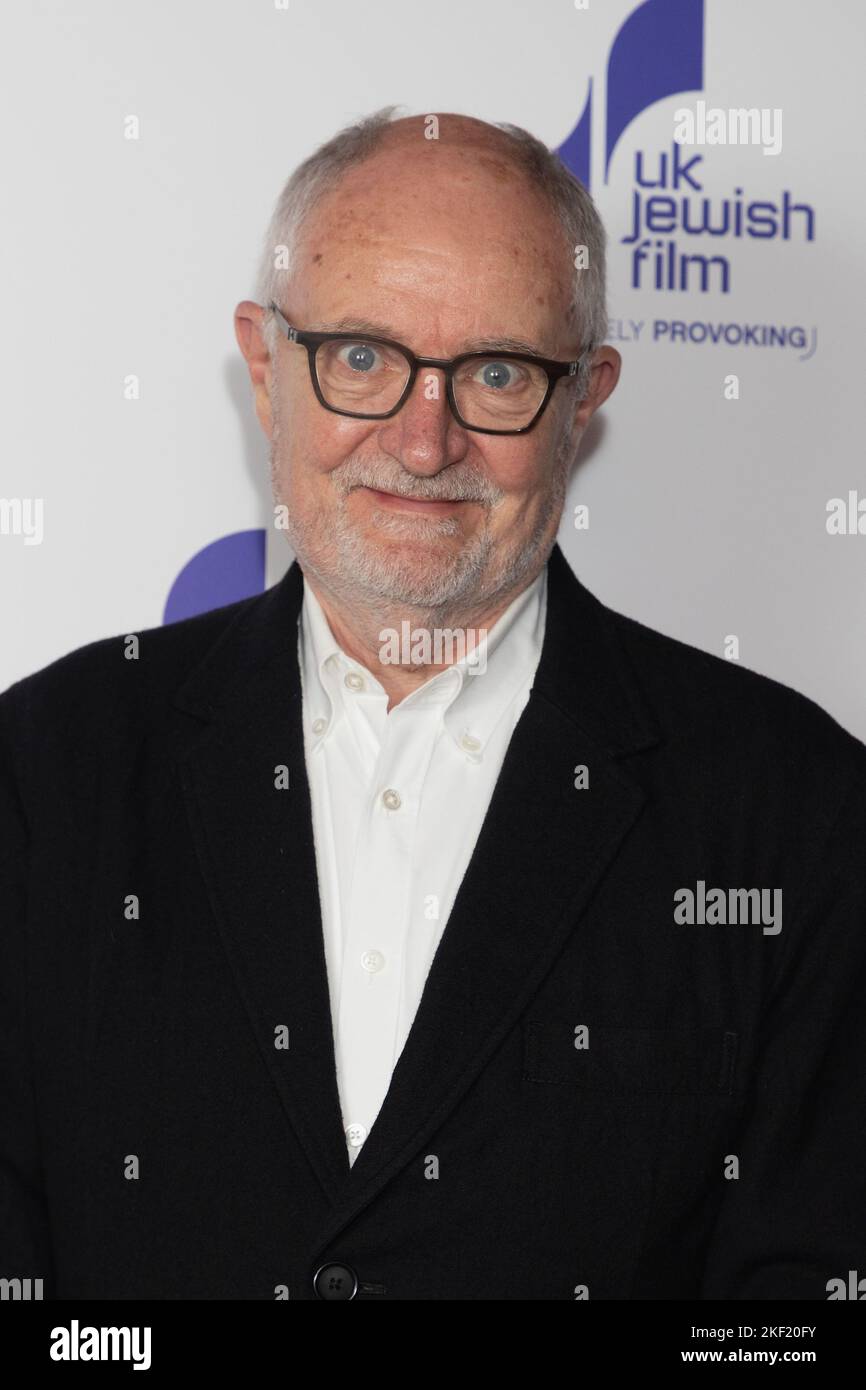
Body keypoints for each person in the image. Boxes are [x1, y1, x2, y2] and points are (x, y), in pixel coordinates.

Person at [1, 108, 864, 1301]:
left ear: (584, 399)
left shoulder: (798, 809)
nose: (421, 439)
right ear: (265, 369)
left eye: (497, 372)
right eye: (359, 356)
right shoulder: (50, 764)